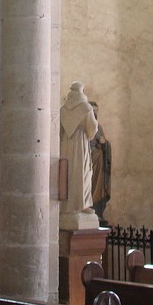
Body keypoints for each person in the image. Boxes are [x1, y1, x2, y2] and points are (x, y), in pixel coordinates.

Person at [60, 81, 99, 227]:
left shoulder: (63, 109)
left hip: (65, 144)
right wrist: (88, 134)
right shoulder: (85, 107)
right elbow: (92, 127)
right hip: (80, 143)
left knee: (68, 173)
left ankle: (67, 207)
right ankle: (80, 206)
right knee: (81, 173)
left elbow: (59, 130)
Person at [90, 101, 111, 226]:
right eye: (92, 110)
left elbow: (104, 143)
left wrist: (104, 143)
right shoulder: (84, 126)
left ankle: (97, 211)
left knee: (98, 186)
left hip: (99, 163)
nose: (94, 113)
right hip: (89, 162)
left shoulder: (99, 127)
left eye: (96, 111)